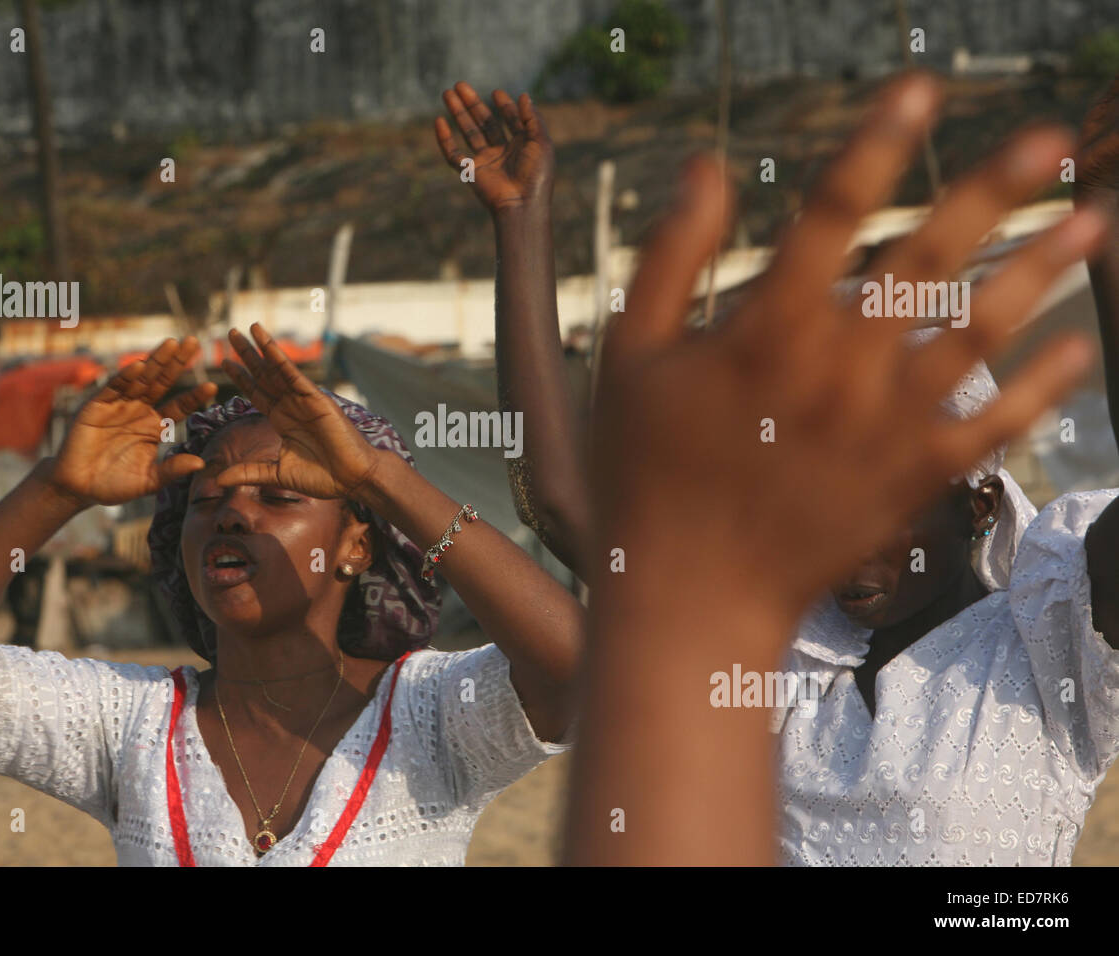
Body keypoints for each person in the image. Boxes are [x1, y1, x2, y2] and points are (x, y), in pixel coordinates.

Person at [433, 75, 1119, 865]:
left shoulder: (1048, 640)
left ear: (978, 502)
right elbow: (555, 504)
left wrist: (1101, 220)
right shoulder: (778, 654)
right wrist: (520, 220)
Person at [0, 326, 582, 866]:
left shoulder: (432, 717)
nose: (233, 515)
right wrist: (55, 490)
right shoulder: (131, 724)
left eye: (279, 496)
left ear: (357, 544)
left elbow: (577, 666)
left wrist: (382, 481)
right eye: (207, 502)